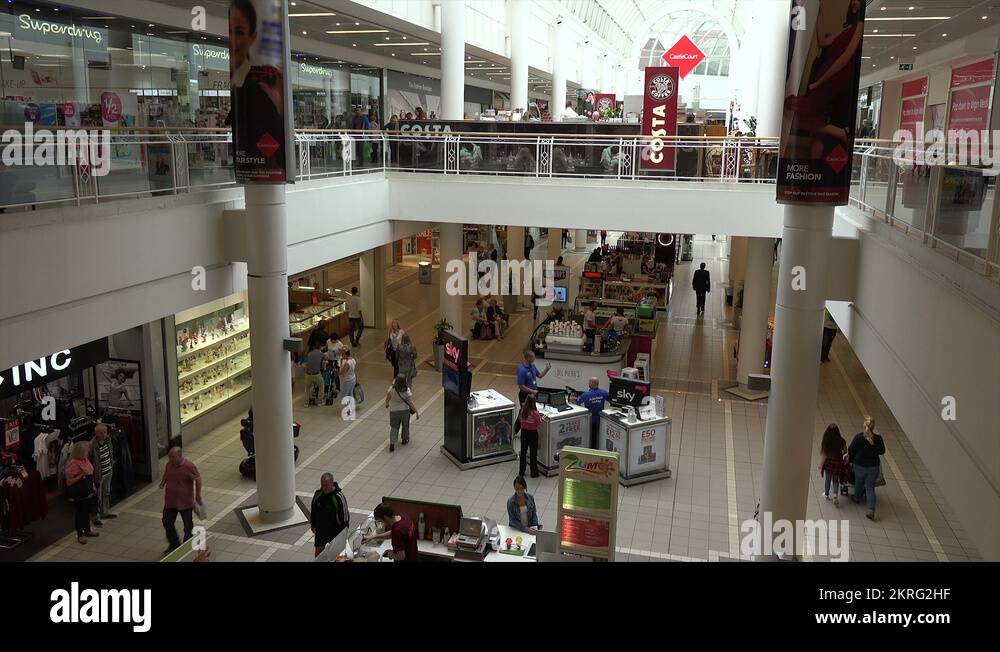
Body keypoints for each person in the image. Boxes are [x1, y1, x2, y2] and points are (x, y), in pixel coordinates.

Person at [226, 0, 285, 175]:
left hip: (263, 167)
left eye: (239, 32)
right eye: (230, 31)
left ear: (252, 37)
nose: (233, 40)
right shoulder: (238, 86)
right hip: (253, 166)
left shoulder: (259, 88)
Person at [160, 446, 202, 555]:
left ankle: (186, 546)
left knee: (188, 525)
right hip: (170, 501)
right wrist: (163, 482)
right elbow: (166, 473)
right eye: (169, 457)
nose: (170, 459)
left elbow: (198, 479)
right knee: (166, 522)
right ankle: (175, 544)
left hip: (185, 502)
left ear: (179, 456)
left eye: (173, 457)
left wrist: (198, 495)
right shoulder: (169, 464)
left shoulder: (189, 466)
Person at [848, 417, 886, 521]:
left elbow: (851, 450)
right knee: (870, 488)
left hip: (859, 465)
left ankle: (856, 498)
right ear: (873, 427)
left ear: (864, 425)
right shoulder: (878, 438)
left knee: (859, 482)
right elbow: (882, 451)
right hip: (873, 467)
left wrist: (850, 461)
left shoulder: (858, 437)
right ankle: (871, 511)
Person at [66, 441, 99, 544]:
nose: (88, 451)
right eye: (86, 450)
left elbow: (90, 475)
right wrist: (81, 475)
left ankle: (87, 530)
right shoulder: (73, 464)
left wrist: (93, 486)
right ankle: (80, 534)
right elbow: (69, 482)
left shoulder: (85, 460)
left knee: (86, 513)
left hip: (87, 491)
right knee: (80, 514)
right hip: (79, 494)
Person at [311, 473, 349, 557]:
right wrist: (313, 525)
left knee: (336, 556)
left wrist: (342, 535)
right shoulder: (318, 494)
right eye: (323, 485)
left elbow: (345, 518)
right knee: (318, 556)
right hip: (321, 531)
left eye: (327, 485)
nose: (324, 488)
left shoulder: (338, 497)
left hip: (335, 532)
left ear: (332, 483)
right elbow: (313, 510)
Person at [88, 423, 117, 526]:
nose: (104, 434)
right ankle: (95, 517)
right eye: (101, 433)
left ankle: (105, 512)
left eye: (105, 432)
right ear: (96, 434)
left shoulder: (108, 440)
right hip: (99, 475)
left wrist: (111, 463)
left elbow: (110, 452)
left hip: (108, 471)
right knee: (97, 497)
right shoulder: (92, 445)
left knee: (106, 493)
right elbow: (90, 461)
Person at [515, 351, 551, 434]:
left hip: (533, 394)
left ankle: (531, 428)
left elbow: (540, 376)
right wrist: (532, 391)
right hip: (525, 396)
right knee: (524, 413)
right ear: (528, 358)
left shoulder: (532, 366)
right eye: (533, 357)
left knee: (532, 412)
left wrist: (547, 369)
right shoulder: (522, 370)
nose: (534, 359)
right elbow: (520, 386)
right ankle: (515, 432)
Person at [385, 374, 420, 452]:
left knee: (394, 427)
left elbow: (387, 398)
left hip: (394, 411)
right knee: (405, 426)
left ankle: (392, 443)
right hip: (405, 411)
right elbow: (411, 402)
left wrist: (387, 404)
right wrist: (416, 412)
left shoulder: (392, 389)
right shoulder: (406, 390)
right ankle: (404, 439)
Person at [576, 377, 610, 448]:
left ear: (591, 384)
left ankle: (592, 449)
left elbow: (577, 404)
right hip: (601, 420)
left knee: (592, 437)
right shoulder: (604, 393)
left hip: (590, 421)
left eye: (589, 382)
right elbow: (611, 400)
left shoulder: (586, 395)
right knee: (600, 436)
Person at [819, 424, 848, 506]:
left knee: (827, 480)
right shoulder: (841, 440)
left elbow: (824, 454)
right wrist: (841, 453)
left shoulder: (827, 440)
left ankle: (827, 494)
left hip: (829, 463)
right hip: (838, 462)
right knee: (836, 480)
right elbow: (845, 451)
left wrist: (821, 465)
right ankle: (835, 495)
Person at [518, 396, 543, 478]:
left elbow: (520, 420)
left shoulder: (522, 411)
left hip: (524, 433)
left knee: (523, 453)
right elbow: (539, 424)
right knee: (533, 453)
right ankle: (534, 473)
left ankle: (521, 471)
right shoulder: (535, 414)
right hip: (533, 434)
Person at [302, 340, 325, 407]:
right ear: (320, 347)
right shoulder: (321, 353)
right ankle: (320, 402)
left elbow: (306, 363)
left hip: (308, 374)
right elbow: (326, 358)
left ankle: (306, 403)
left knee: (307, 388)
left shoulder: (309, 354)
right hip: (316, 374)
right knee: (321, 386)